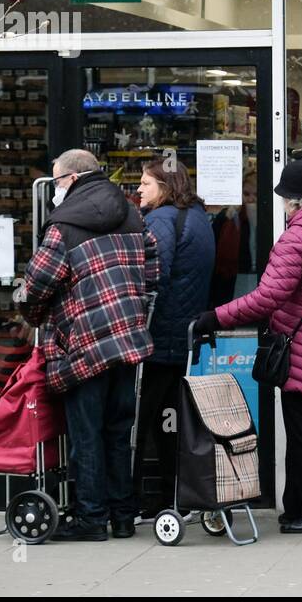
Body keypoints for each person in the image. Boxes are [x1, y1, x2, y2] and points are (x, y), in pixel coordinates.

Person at [194, 160, 302, 534]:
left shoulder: (296, 238)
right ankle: (298, 507)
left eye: (284, 199)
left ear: (293, 201)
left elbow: (268, 296)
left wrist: (217, 317)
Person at [18, 149, 158, 541]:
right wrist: (132, 307)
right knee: (118, 430)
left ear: (73, 179)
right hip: (128, 340)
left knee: (87, 434)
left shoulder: (63, 225)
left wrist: (35, 315)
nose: (55, 189)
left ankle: (91, 519)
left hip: (83, 344)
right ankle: (123, 516)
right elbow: (153, 270)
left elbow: (37, 284)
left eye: (57, 180)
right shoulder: (133, 216)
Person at [133, 156, 215, 519]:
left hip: (158, 337)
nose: (138, 189)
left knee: (141, 420)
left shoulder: (161, 220)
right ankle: (172, 496)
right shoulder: (199, 218)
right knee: (171, 421)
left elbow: (154, 276)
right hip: (184, 338)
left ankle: (132, 499)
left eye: (145, 183)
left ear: (164, 187)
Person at [209, 170, 258, 307]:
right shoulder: (228, 218)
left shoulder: (271, 219)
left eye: (256, 194)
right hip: (231, 278)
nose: (251, 199)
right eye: (246, 194)